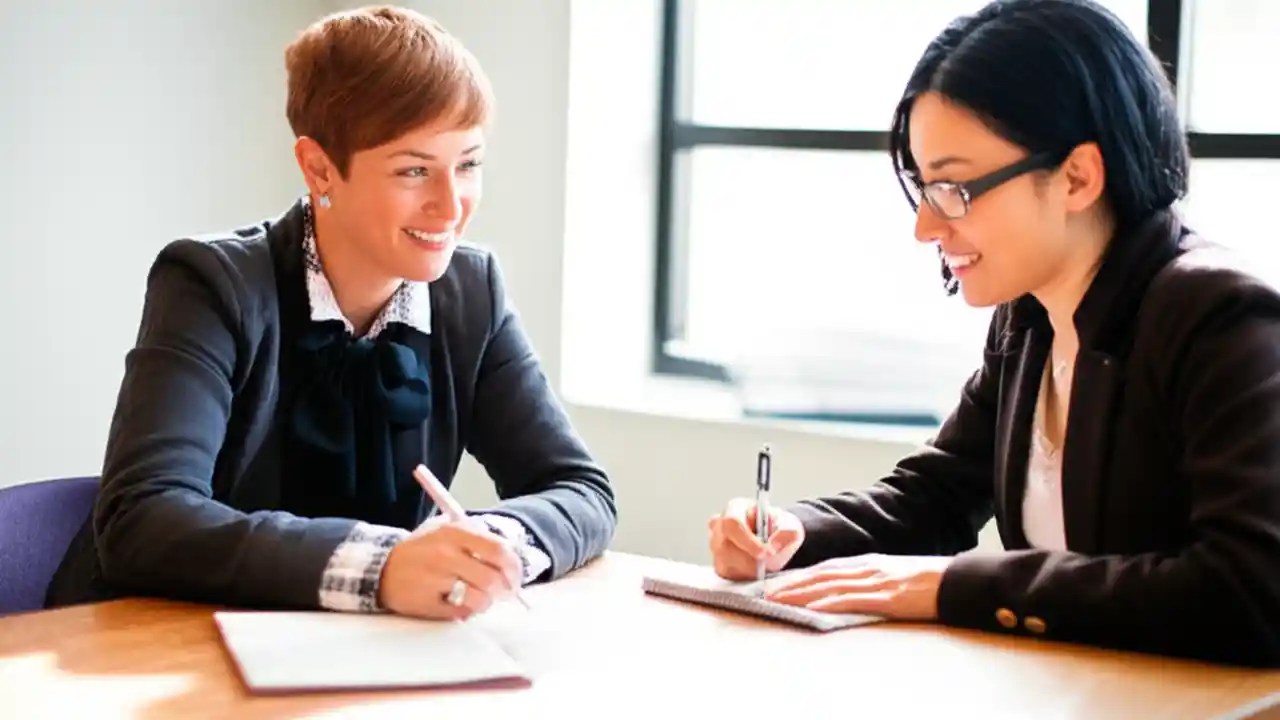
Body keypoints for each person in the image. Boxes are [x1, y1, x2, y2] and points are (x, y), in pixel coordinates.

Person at [708, 0, 1280, 666]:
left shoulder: (1218, 315)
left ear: (1076, 176)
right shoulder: (1031, 313)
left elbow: (1250, 590)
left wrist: (954, 587)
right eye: (922, 185)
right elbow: (937, 496)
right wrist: (792, 533)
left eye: (954, 187)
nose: (926, 225)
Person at [46, 5, 616, 620]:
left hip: (355, 660)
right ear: (319, 167)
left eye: (469, 164)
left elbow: (581, 491)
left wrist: (489, 548)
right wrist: (383, 568)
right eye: (414, 170)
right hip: (156, 652)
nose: (450, 205)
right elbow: (145, 518)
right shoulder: (209, 284)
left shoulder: (472, 292)